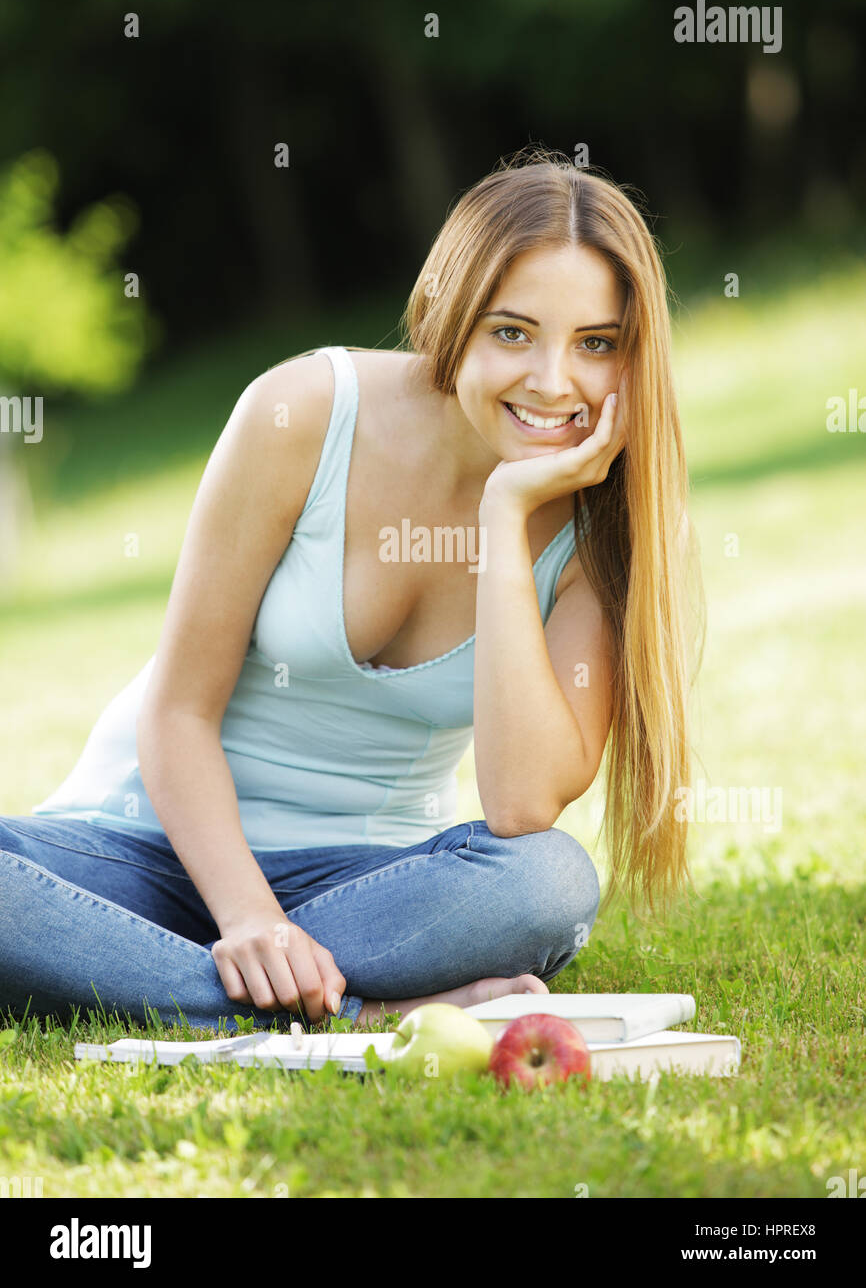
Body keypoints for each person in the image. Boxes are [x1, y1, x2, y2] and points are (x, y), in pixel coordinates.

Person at [0, 148, 703, 1034]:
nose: (554, 381)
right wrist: (249, 919)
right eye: (512, 332)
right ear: (450, 317)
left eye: (595, 344)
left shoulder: (600, 531)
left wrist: (503, 509)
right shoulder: (304, 414)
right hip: (142, 856)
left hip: (363, 888)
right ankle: (351, 1007)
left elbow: (522, 805)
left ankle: (148, 978)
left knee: (549, 881)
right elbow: (178, 711)